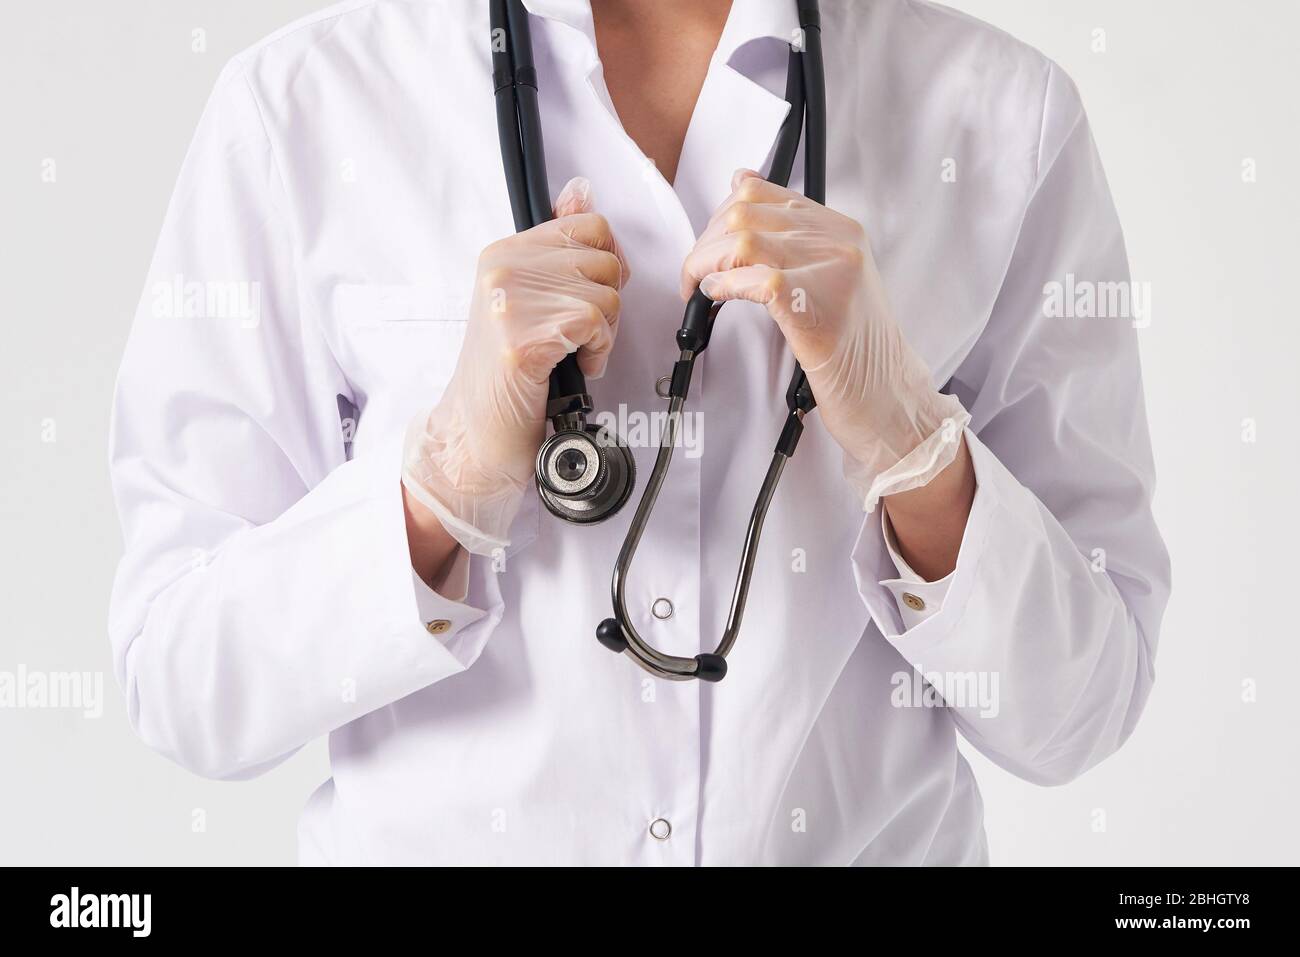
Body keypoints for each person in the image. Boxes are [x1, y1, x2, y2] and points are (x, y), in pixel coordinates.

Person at [109, 0, 1170, 865]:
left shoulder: (1000, 114)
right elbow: (184, 681)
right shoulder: (305, 107)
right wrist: (442, 482)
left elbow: (1077, 709)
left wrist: (909, 440)